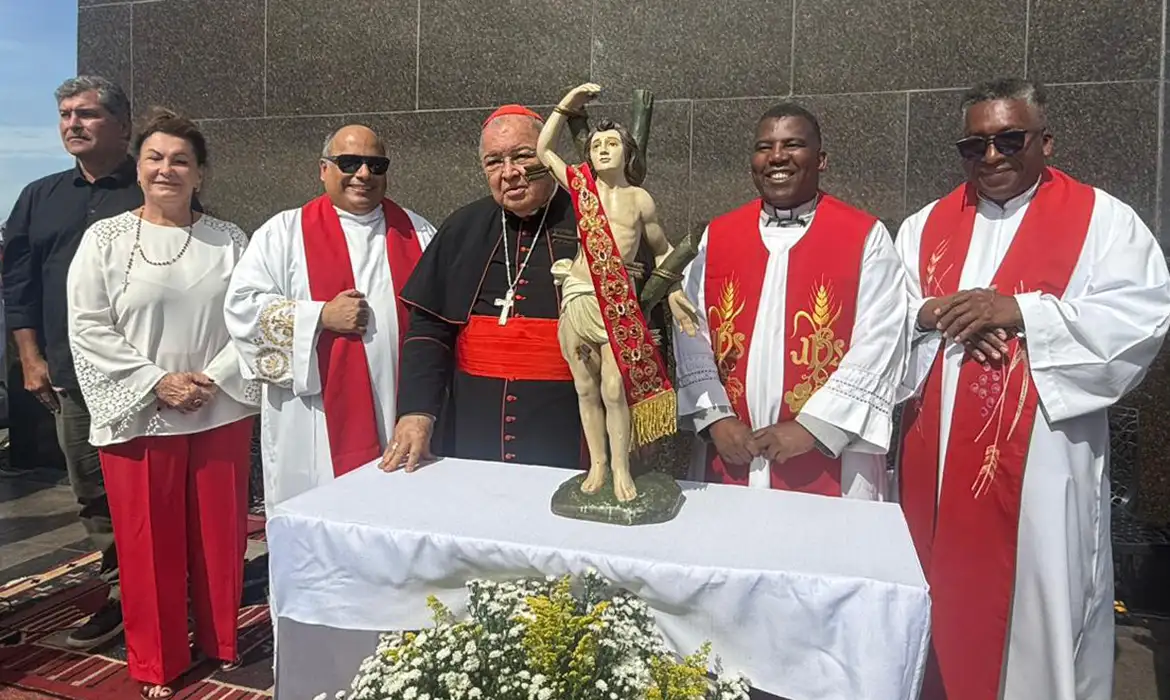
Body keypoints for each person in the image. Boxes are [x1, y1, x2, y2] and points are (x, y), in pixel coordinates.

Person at [895, 78, 1170, 700]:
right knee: (937, 599)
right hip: (932, 462)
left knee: (1040, 603)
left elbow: (1139, 318)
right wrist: (937, 314)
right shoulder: (923, 227)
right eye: (974, 145)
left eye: (1009, 140)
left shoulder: (1103, 221)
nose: (991, 157)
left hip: (1044, 472)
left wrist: (1020, 313)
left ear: (1045, 141)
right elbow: (884, 316)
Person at [66, 108, 259, 699]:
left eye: (181, 159)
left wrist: (210, 378)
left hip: (216, 408)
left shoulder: (228, 240)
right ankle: (158, 659)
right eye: (154, 157)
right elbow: (89, 326)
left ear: (201, 173)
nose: (166, 169)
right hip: (141, 411)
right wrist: (156, 381)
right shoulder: (105, 239)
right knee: (148, 545)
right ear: (138, 166)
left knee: (220, 537)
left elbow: (250, 319)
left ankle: (222, 641)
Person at [672, 103, 908, 500]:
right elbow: (691, 330)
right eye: (765, 147)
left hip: (829, 455)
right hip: (732, 447)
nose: (777, 156)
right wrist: (716, 419)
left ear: (822, 159)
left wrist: (814, 427)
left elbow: (882, 338)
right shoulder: (718, 235)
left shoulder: (864, 235)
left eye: (793, 145)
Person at [224, 125, 436, 514]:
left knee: (400, 516)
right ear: (323, 169)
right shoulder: (282, 233)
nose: (363, 174)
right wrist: (318, 315)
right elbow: (242, 308)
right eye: (349, 162)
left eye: (376, 164)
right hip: (315, 421)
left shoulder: (418, 233)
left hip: (398, 410)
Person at [1, 75, 142, 648]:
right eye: (64, 115)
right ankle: (121, 592)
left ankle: (172, 584)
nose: (72, 125)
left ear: (123, 126)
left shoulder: (154, 185)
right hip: (69, 378)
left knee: (149, 487)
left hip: (144, 376)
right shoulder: (39, 195)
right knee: (92, 489)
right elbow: (18, 284)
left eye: (86, 114)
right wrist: (30, 358)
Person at [381, 105, 585, 473]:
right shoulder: (464, 226)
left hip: (571, 423)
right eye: (494, 162)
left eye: (523, 156)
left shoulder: (594, 222)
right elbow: (429, 331)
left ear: (550, 156)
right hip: (472, 423)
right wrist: (416, 412)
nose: (509, 173)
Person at [533, 82, 696, 502]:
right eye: (597, 144)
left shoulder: (639, 199)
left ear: (628, 152)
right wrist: (565, 106)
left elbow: (661, 251)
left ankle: (622, 467)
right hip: (580, 295)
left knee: (613, 388)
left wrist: (674, 296)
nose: (603, 150)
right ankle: (598, 464)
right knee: (585, 389)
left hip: (618, 302)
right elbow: (543, 150)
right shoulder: (581, 188)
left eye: (612, 144)